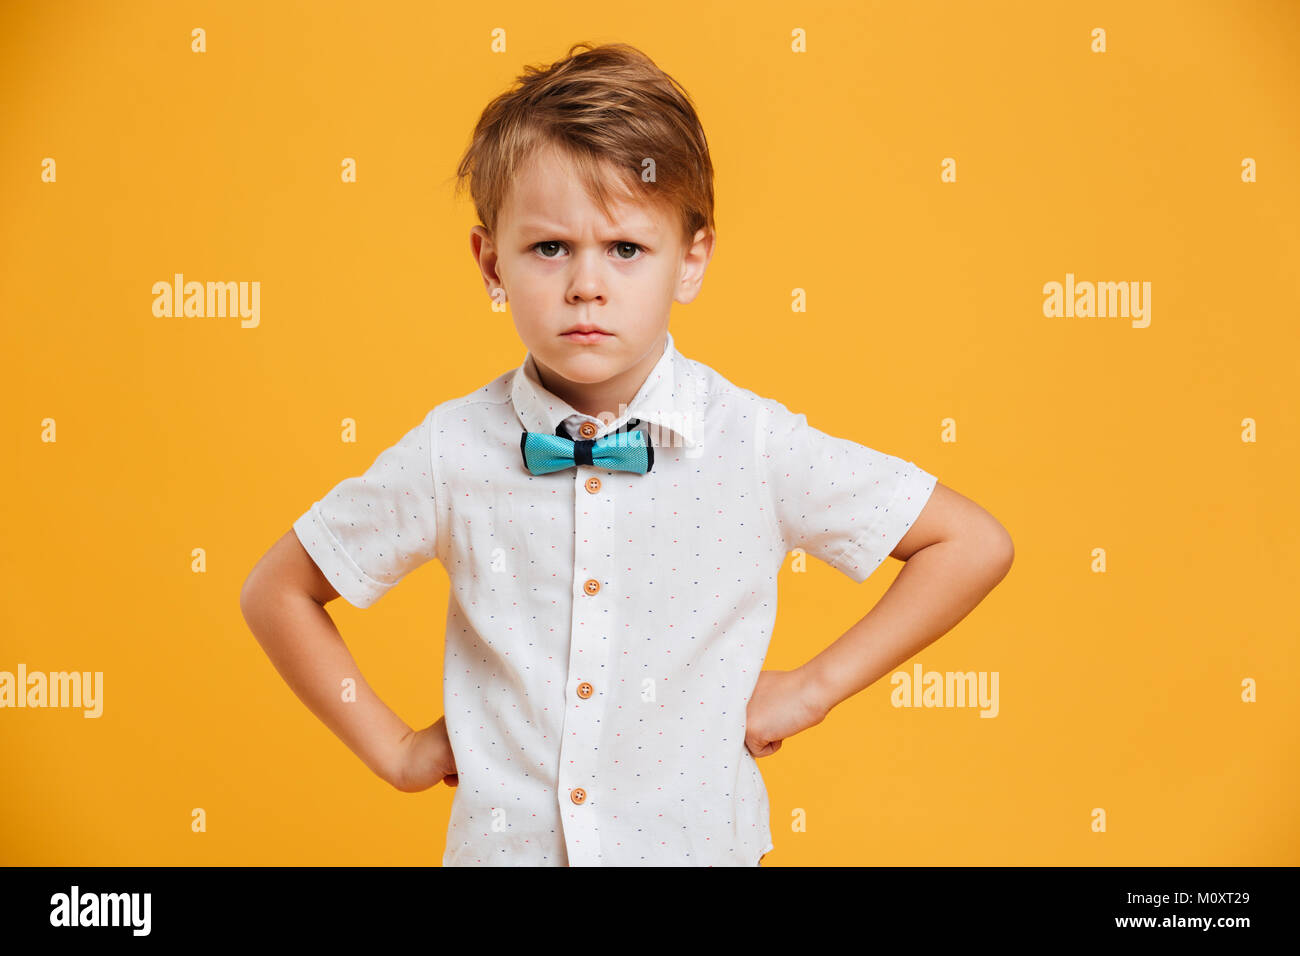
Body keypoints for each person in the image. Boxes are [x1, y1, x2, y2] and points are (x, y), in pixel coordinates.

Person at [240, 40, 1014, 867]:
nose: (586, 285)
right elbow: (279, 589)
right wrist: (395, 752)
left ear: (692, 259)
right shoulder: (451, 451)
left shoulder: (749, 442)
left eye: (626, 249)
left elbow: (969, 543)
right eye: (549, 249)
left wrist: (810, 691)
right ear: (489, 262)